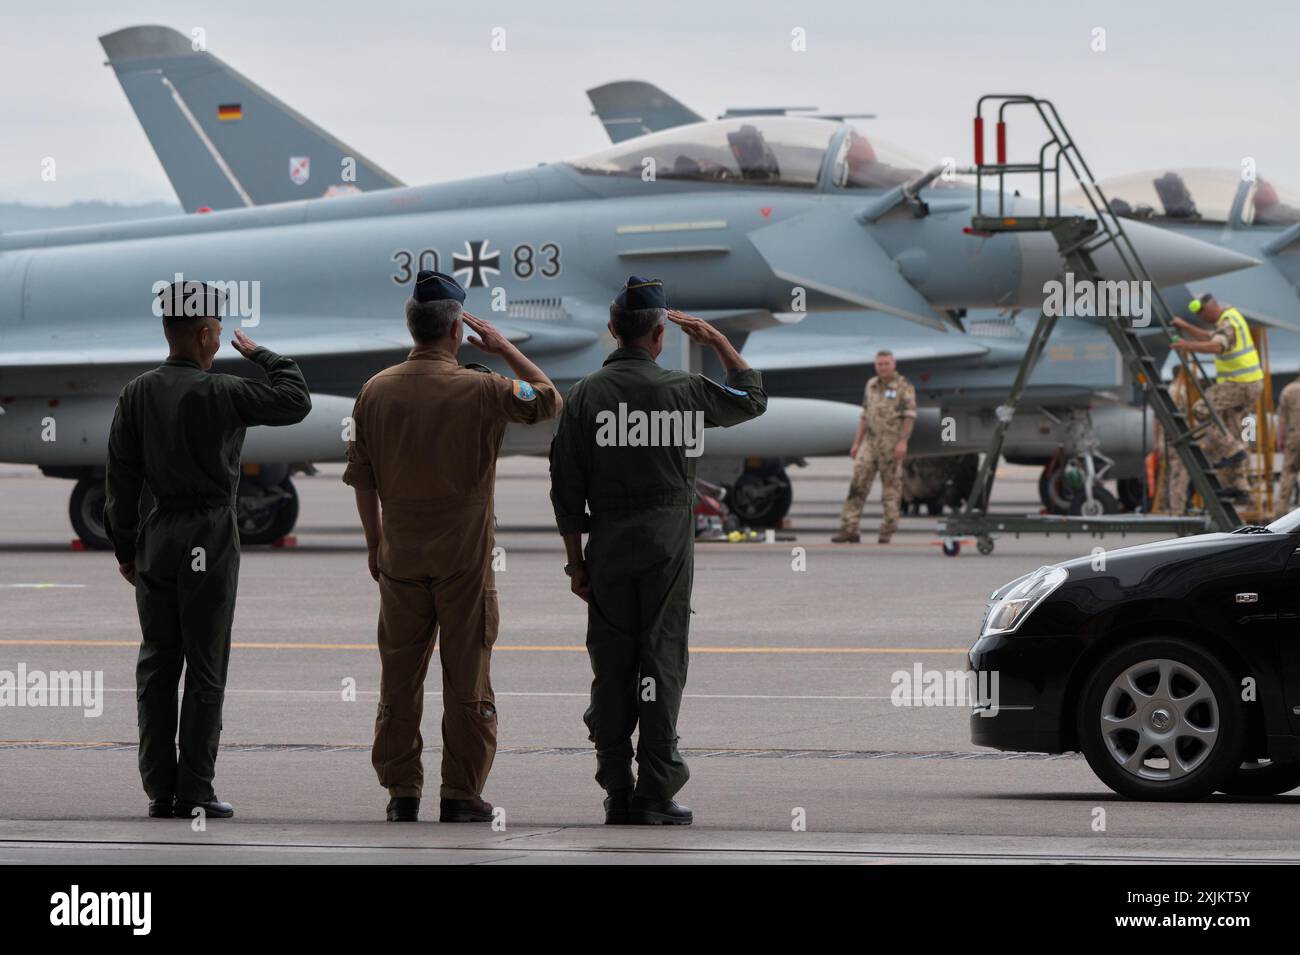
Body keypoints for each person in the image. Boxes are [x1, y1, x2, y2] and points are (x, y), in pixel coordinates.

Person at [343, 270, 560, 823]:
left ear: (411, 325)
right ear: (458, 329)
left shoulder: (375, 389)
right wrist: (506, 347)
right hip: (463, 562)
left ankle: (401, 793)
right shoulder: (484, 387)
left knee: (400, 677)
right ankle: (461, 793)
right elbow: (549, 401)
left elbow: (362, 477)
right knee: (467, 676)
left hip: (400, 559)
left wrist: (375, 544)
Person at [549, 276, 767, 826]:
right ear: (658, 335)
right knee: (660, 663)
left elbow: (566, 488)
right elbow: (752, 401)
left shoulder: (584, 397)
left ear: (612, 332)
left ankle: (617, 789)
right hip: (666, 548)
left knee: (612, 665)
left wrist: (576, 562)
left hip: (608, 547)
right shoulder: (683, 390)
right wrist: (717, 341)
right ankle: (655, 790)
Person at [104, 280, 312, 820]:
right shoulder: (222, 391)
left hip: (158, 534)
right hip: (208, 534)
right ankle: (195, 788)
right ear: (203, 334)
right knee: (205, 664)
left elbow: (120, 481)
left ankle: (159, 789)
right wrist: (263, 354)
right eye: (217, 333)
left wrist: (127, 548)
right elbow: (296, 401)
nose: (219, 342)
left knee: (157, 662)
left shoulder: (137, 392)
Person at [1172, 294, 1264, 500]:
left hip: (1240, 383)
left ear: (1211, 307)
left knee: (1201, 409)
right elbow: (1209, 338)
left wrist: (1186, 346)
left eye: (1202, 314)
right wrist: (1186, 326)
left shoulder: (1228, 322)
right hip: (1248, 383)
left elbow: (1217, 346)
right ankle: (1240, 486)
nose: (1203, 319)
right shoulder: (1230, 318)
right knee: (1234, 430)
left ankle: (1232, 450)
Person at [832, 350, 917, 543]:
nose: (883, 367)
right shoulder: (871, 385)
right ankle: (849, 528)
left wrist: (903, 442)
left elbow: (910, 416)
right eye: (880, 364)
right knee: (858, 484)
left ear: (893, 364)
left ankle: (887, 530)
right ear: (875, 365)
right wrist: (856, 443)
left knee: (891, 489)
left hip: (891, 444)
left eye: (886, 363)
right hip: (870, 443)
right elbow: (865, 415)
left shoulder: (904, 386)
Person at [1277, 379, 1300, 514]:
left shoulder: (1288, 390)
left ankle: (1280, 515)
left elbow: (1282, 419)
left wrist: (1280, 439)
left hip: (1293, 438)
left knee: (1288, 475)